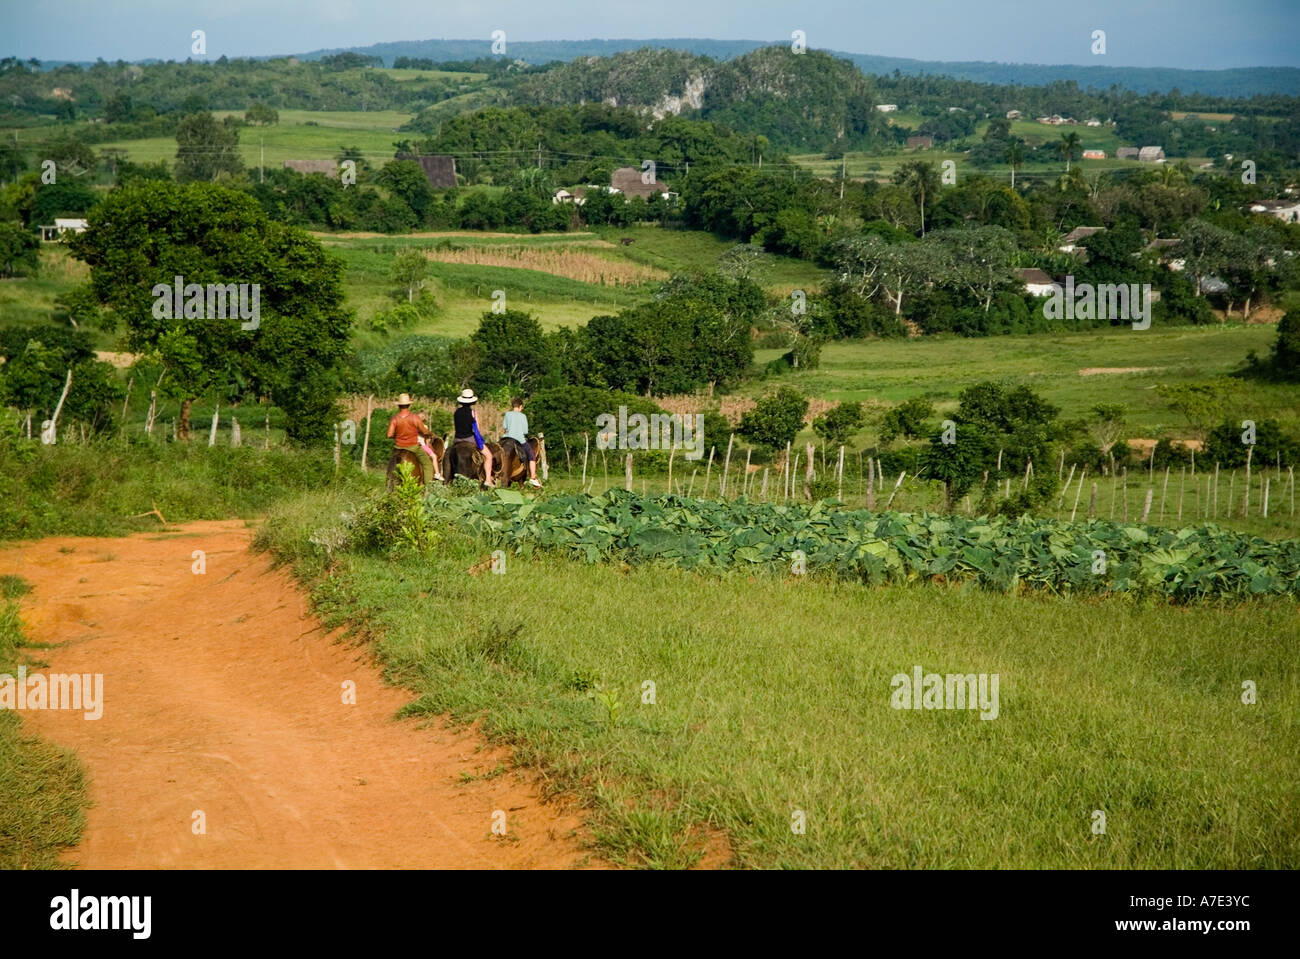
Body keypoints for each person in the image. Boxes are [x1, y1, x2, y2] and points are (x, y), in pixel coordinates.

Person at [385, 393, 442, 481]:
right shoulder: (414, 418)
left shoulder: (394, 419)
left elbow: (389, 435)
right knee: (427, 465)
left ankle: (388, 484)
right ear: (409, 405)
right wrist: (430, 434)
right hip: (413, 447)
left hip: (398, 447)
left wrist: (399, 435)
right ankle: (427, 487)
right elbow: (424, 431)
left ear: (399, 406)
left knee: (391, 465)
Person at [453, 389, 494, 487]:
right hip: (469, 438)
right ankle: (488, 480)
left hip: (457, 439)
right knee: (489, 456)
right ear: (472, 401)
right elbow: (477, 429)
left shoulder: (456, 412)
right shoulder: (473, 412)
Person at [501, 396, 542, 488]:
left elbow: (504, 426)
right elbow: (525, 431)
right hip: (519, 439)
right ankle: (533, 477)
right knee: (532, 457)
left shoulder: (507, 414)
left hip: (506, 438)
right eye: (522, 407)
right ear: (520, 406)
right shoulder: (523, 416)